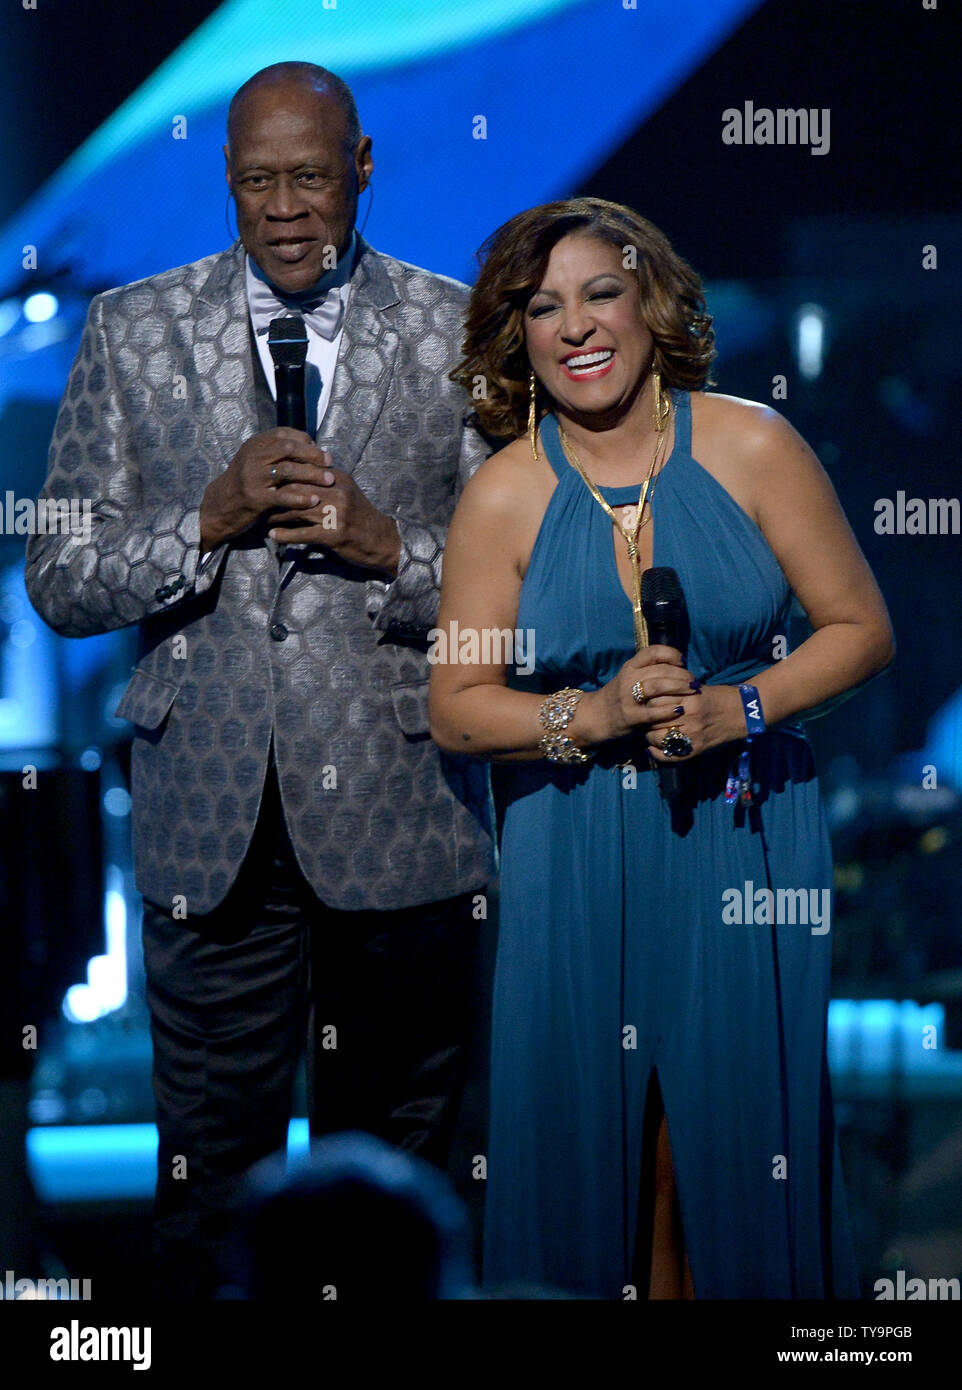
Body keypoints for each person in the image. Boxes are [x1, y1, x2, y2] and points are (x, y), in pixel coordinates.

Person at [25, 61, 494, 1300]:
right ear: (224, 180)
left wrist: (388, 545)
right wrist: (206, 517)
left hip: (401, 821)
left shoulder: (457, 331)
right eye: (254, 182)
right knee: (206, 1194)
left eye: (308, 177)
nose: (283, 209)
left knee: (399, 1177)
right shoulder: (131, 330)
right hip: (210, 822)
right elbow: (61, 578)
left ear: (362, 168)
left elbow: (521, 588)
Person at [429, 197, 895, 1299]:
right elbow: (454, 706)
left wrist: (741, 709)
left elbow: (861, 629)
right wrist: (582, 718)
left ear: (651, 306)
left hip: (745, 841)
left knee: (729, 1163)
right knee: (598, 1166)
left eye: (599, 294)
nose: (575, 326)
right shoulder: (499, 495)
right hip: (570, 852)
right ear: (518, 337)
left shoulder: (752, 444)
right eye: (543, 308)